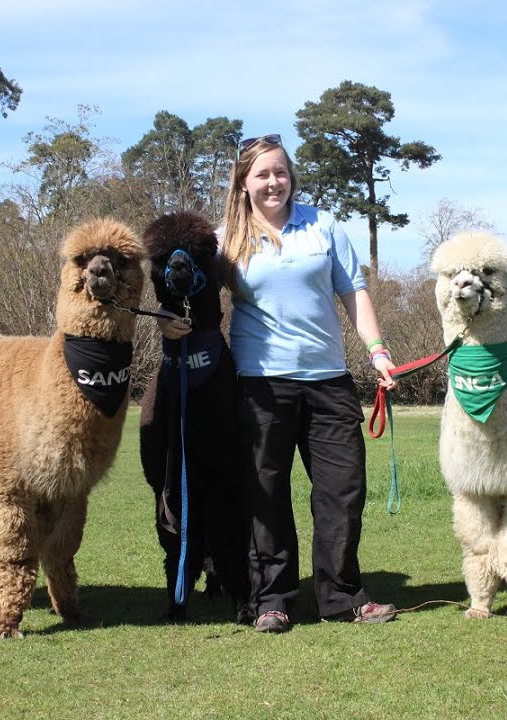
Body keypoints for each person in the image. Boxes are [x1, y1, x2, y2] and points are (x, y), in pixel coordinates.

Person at [157, 133, 400, 633]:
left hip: (329, 381)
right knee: (264, 495)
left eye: (281, 172)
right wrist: (167, 318)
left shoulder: (324, 225)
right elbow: (191, 292)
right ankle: (273, 599)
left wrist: (377, 350)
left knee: (343, 491)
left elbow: (354, 292)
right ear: (244, 182)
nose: (274, 182)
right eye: (263, 174)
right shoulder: (226, 240)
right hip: (259, 386)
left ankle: (342, 595)